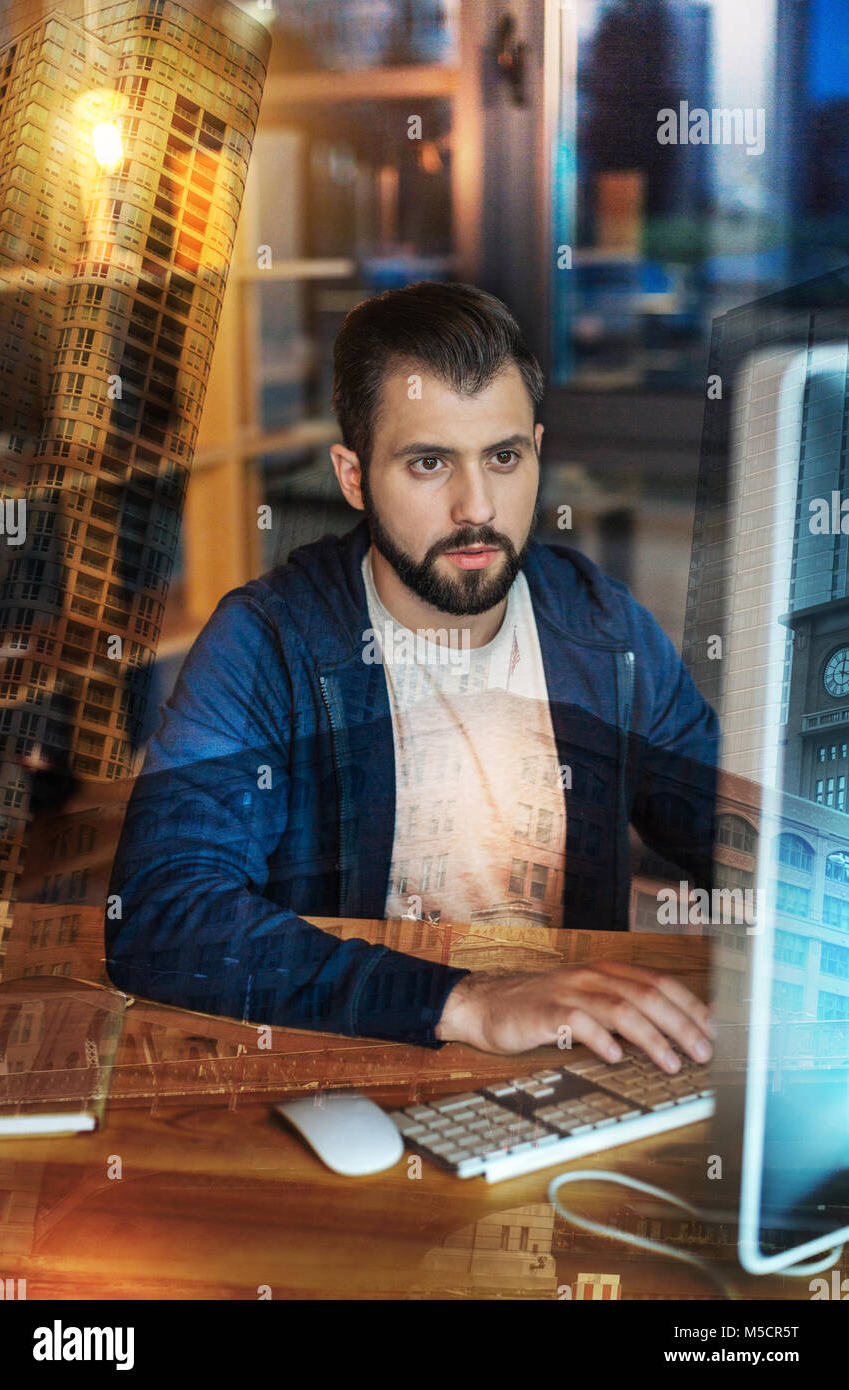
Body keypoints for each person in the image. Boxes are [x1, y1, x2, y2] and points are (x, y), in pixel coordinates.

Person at [106, 282, 719, 1074]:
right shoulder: (270, 639)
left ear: (536, 449)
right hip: (354, 1066)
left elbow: (739, 838)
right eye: (429, 462)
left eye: (504, 458)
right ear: (354, 477)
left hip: (569, 1069)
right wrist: (466, 1003)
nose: (477, 506)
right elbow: (160, 914)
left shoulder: (602, 629)